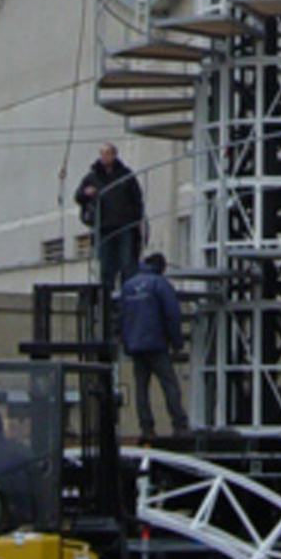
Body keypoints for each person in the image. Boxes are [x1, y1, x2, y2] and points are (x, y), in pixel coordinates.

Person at [118, 253, 190, 442]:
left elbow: (122, 317)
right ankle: (179, 424)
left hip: (135, 346)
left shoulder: (128, 286)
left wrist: (126, 343)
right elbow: (172, 314)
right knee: (170, 385)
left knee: (141, 388)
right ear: (161, 267)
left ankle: (146, 428)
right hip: (156, 345)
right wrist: (177, 342)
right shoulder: (160, 284)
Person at [74, 142, 145, 295]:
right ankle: (106, 298)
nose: (104, 157)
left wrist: (136, 220)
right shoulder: (92, 177)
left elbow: (137, 199)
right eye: (102, 154)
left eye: (108, 153)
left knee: (127, 264)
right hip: (104, 227)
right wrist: (87, 193)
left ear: (114, 155)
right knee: (106, 266)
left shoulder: (125, 175)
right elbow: (78, 196)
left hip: (125, 226)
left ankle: (128, 296)